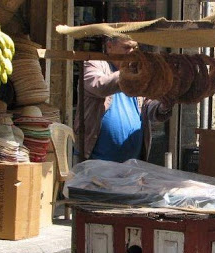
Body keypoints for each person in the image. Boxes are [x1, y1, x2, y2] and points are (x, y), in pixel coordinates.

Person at [74, 35, 174, 163]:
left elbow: (147, 108)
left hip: (133, 163)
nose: (132, 52)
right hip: (97, 162)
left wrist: (163, 106)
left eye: (135, 47)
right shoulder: (94, 64)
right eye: (127, 47)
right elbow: (100, 86)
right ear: (109, 46)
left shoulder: (134, 73)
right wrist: (130, 73)